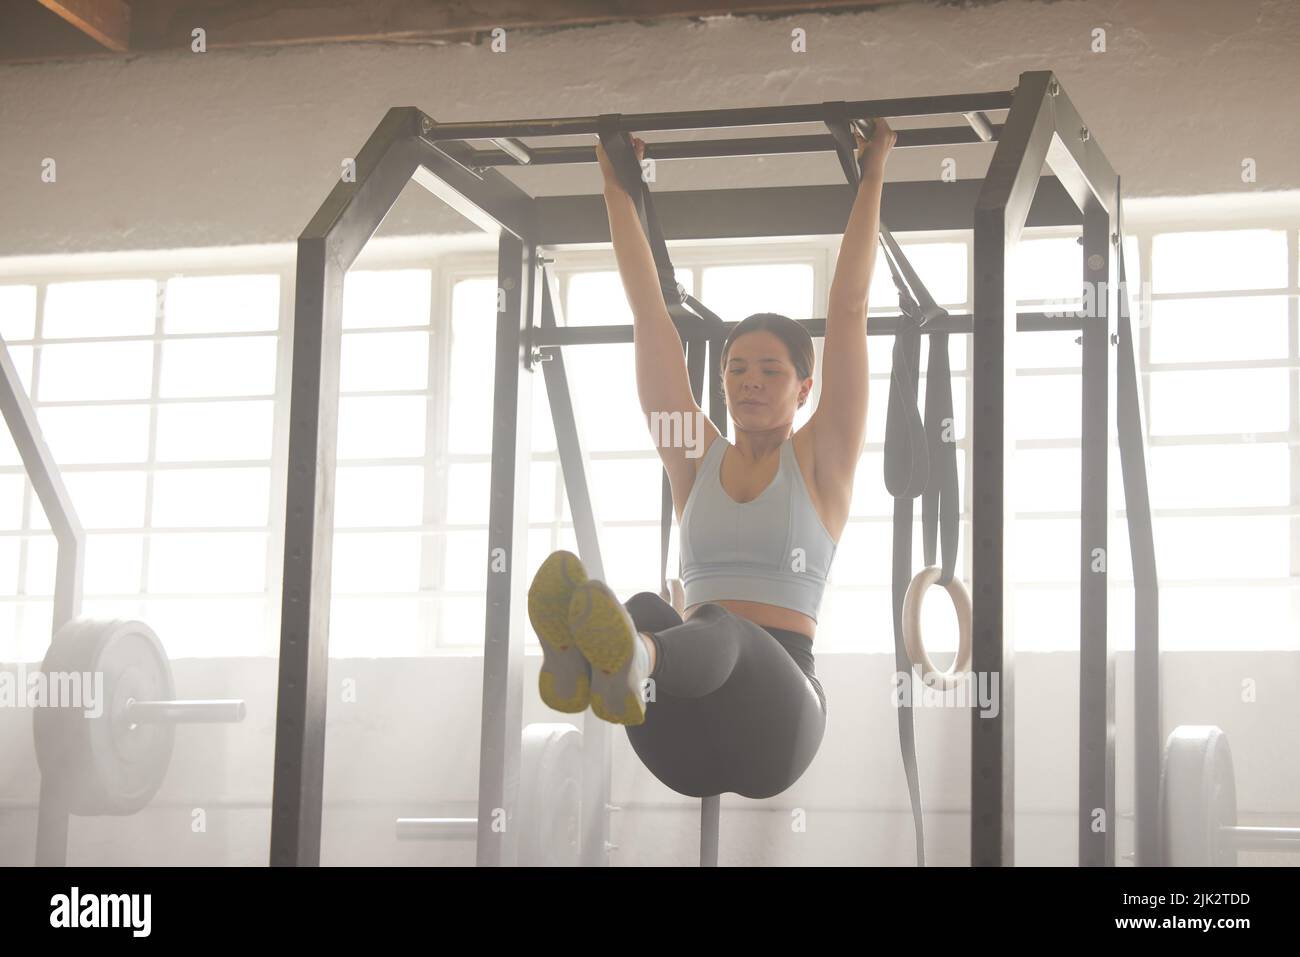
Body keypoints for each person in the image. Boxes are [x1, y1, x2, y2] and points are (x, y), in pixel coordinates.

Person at [528, 118, 896, 799]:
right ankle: (587, 664)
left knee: (712, 623)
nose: (749, 380)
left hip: (779, 724)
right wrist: (615, 191)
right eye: (736, 369)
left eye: (769, 370)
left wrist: (873, 173)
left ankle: (632, 655)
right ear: (721, 380)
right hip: (679, 738)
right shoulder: (692, 455)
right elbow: (649, 318)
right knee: (641, 601)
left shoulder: (823, 460)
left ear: (804, 387)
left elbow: (849, 310)